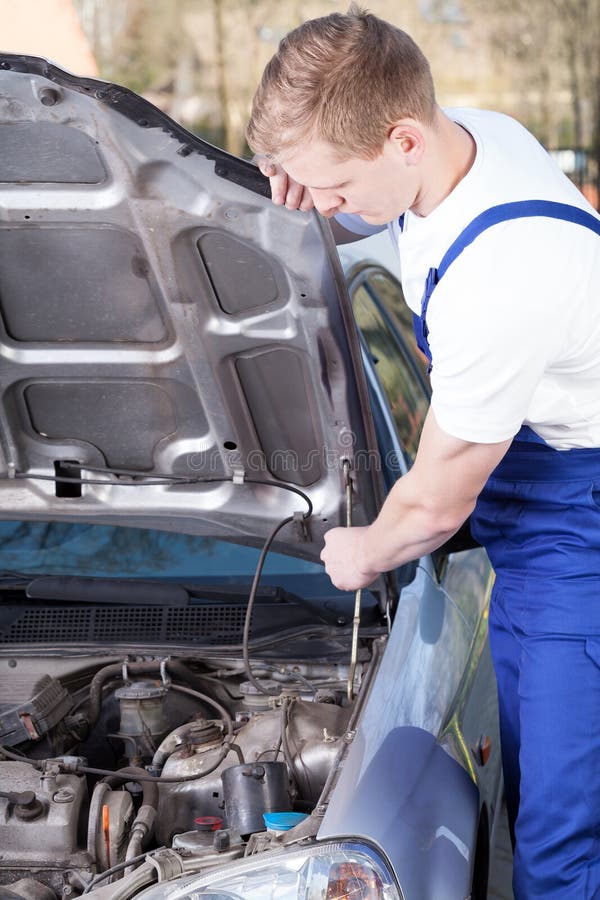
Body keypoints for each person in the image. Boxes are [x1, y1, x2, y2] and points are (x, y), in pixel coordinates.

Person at [246, 5, 600, 898]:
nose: (323, 204)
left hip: (581, 521)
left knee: (562, 837)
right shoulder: (463, 141)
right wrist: (317, 191)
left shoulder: (507, 270)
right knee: (534, 785)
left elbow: (435, 507)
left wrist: (358, 549)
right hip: (538, 483)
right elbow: (400, 217)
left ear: (403, 138)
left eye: (333, 184)